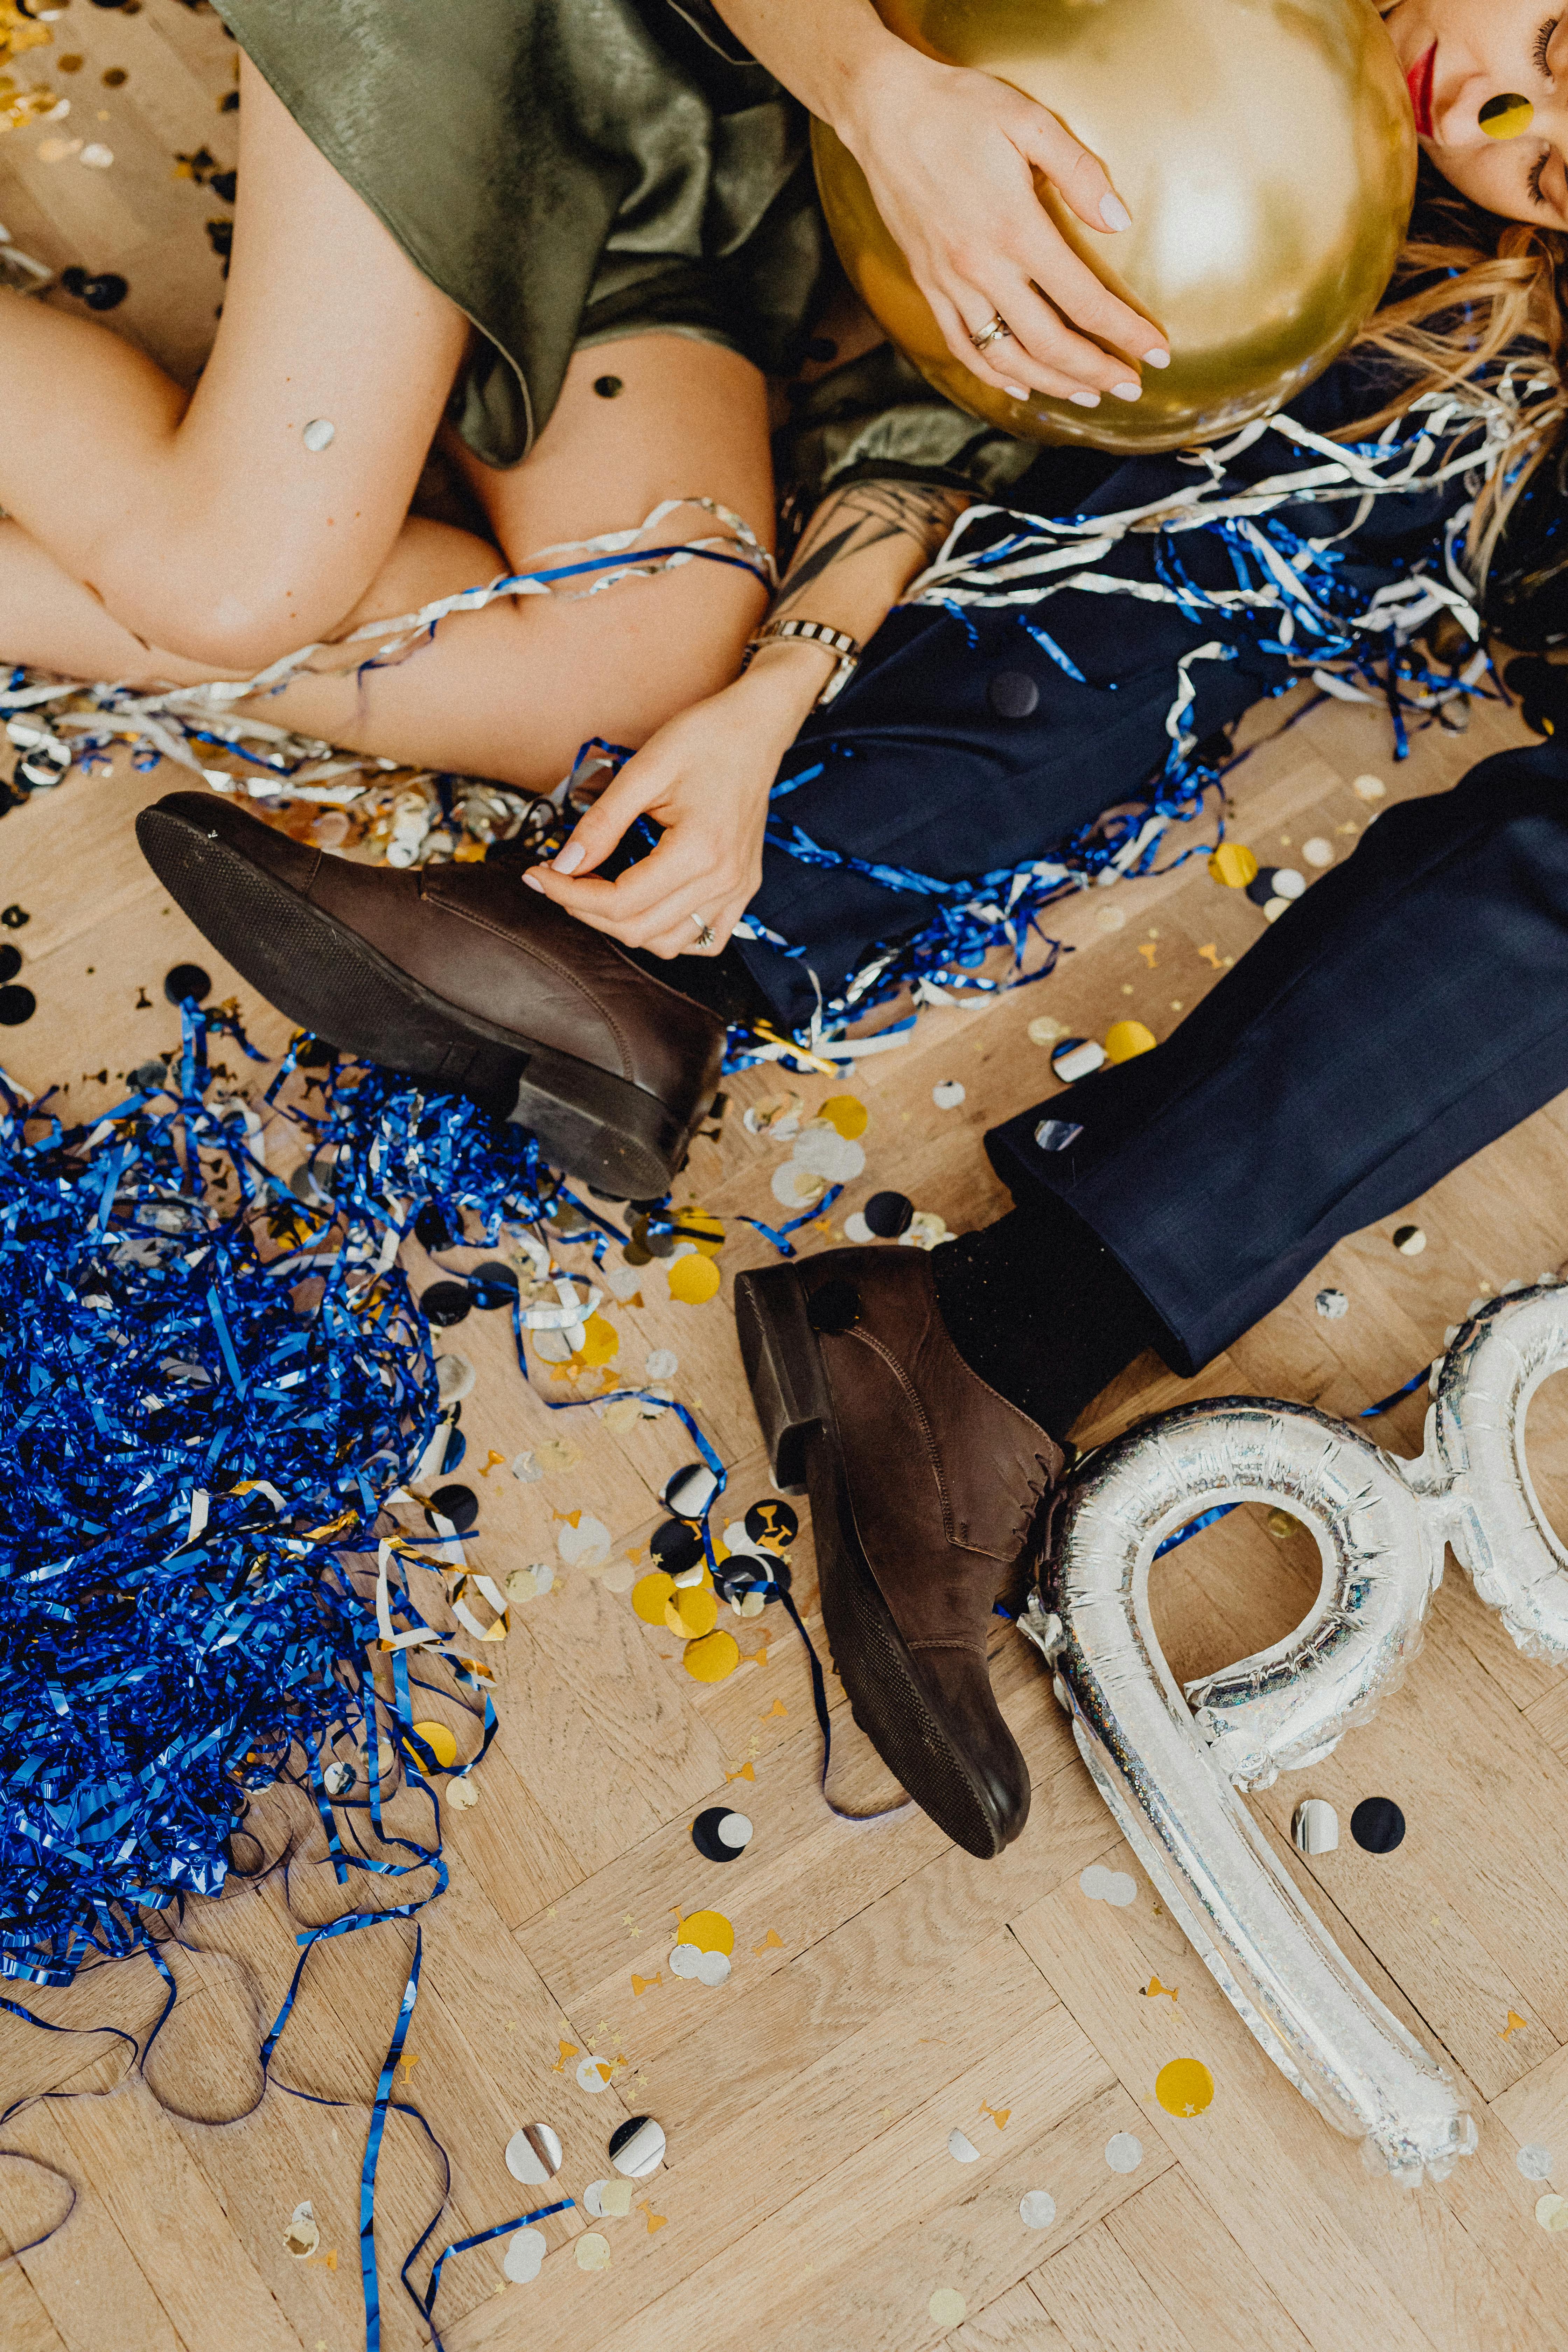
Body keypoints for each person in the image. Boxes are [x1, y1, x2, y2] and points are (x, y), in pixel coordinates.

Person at [31, 2, 1568, 1842]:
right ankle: (668, 976)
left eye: (1545, 162)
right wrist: (878, 89)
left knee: (630, 664)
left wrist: (769, 707)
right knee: (240, 570)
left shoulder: (1371, 203)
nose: (1503, 115)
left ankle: (671, 995)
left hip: (718, 178)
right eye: (1558, 43)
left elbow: (969, 404)